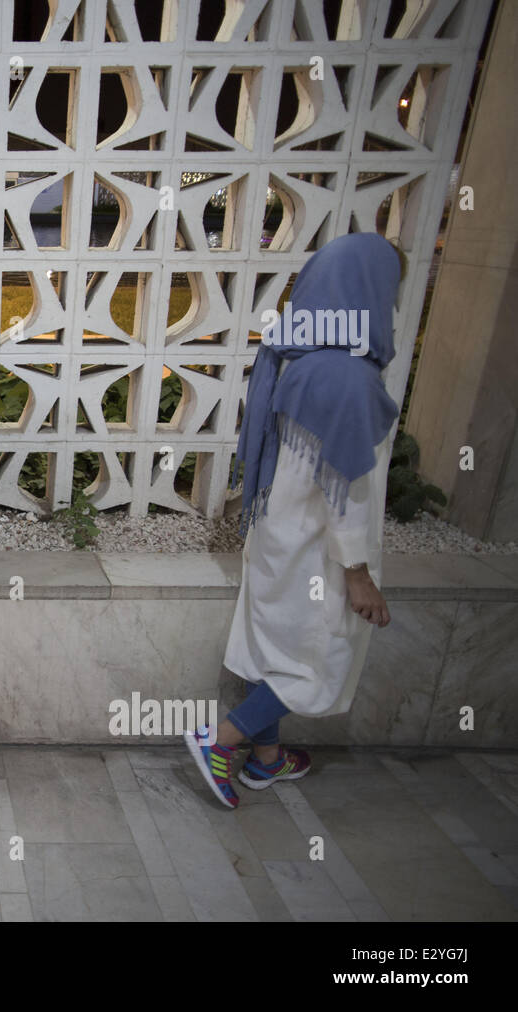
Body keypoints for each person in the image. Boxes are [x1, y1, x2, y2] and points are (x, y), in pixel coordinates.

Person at [185, 232, 404, 809]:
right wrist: (357, 572)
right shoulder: (349, 380)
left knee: (276, 652)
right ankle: (219, 741)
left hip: (277, 534)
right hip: (319, 550)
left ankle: (268, 758)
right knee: (315, 661)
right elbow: (346, 489)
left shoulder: (297, 357)